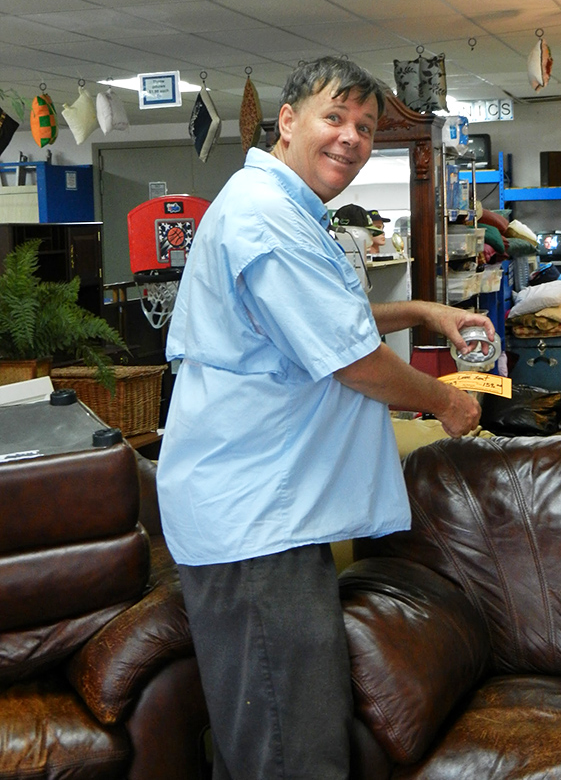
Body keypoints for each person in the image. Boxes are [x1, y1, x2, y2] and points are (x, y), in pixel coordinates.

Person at [156, 56, 495, 780]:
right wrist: (447, 401)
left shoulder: (280, 209)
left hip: (270, 514)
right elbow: (351, 360)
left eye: (365, 127)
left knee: (268, 735)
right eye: (334, 118)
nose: (351, 138)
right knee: (290, 748)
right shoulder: (267, 219)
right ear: (287, 122)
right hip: (254, 523)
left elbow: (319, 325)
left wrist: (419, 309)